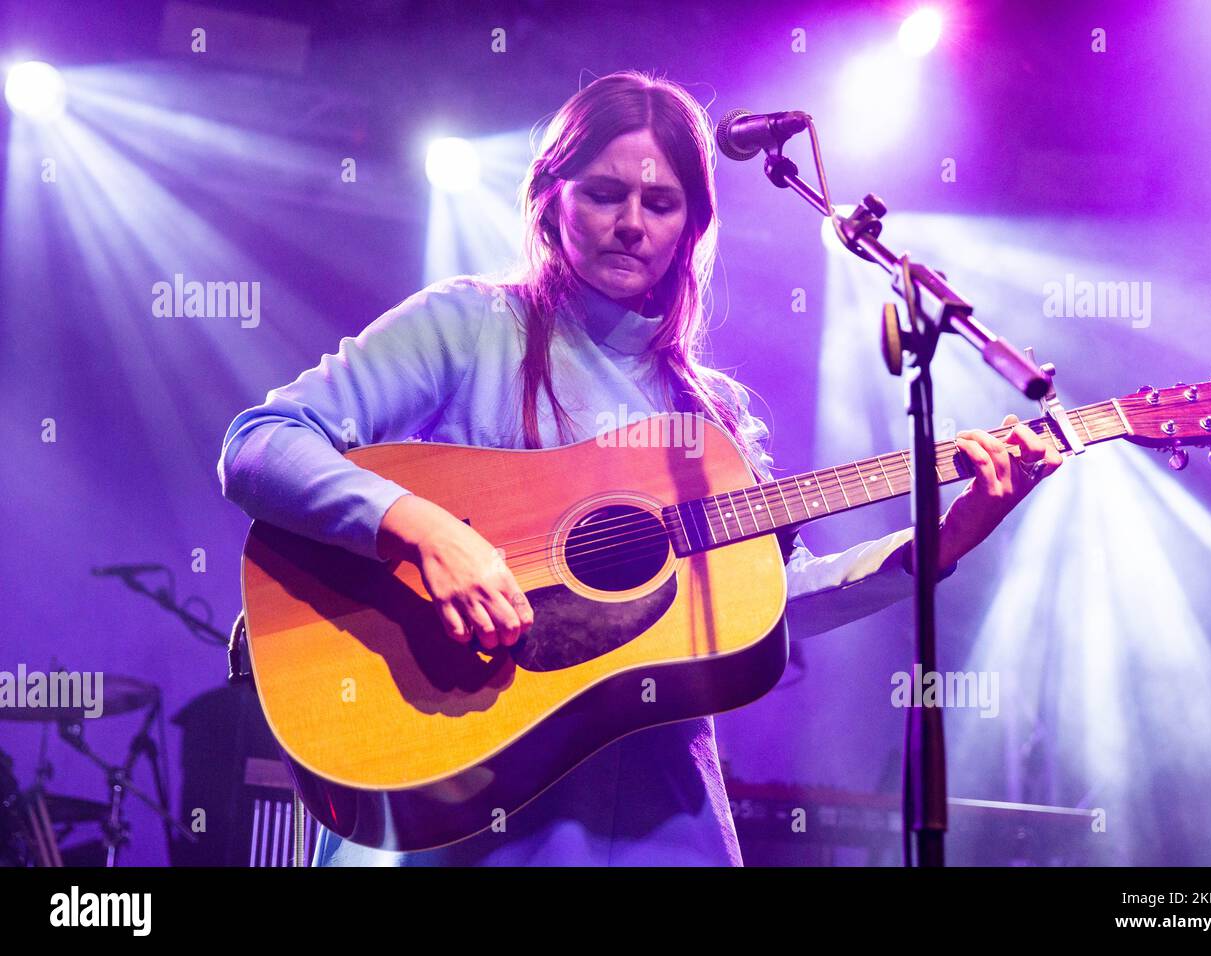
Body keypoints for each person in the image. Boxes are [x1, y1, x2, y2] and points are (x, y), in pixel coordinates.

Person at [217, 70, 1062, 866]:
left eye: (661, 203)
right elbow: (262, 441)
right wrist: (422, 528)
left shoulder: (713, 421)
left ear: (691, 227)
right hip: (454, 793)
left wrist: (941, 541)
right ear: (551, 202)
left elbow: (775, 607)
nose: (632, 223)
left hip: (656, 825)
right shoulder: (470, 326)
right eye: (604, 194)